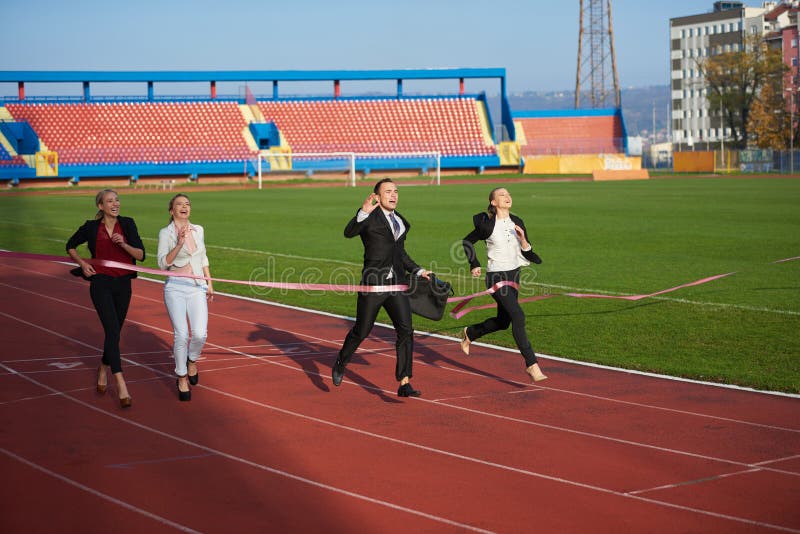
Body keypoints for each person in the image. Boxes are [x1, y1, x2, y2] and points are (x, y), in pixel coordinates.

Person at [332, 178, 431, 397]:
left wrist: (418, 270)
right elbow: (349, 232)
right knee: (362, 330)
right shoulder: (370, 217)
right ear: (377, 196)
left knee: (406, 330)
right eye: (388, 191)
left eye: (396, 191)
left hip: (396, 284)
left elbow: (400, 254)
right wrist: (363, 212)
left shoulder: (401, 222)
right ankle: (341, 361)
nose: (393, 195)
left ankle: (404, 382)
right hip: (373, 284)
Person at [459, 187, 548, 383]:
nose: (507, 197)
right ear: (493, 202)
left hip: (514, 274)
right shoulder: (487, 225)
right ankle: (532, 364)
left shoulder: (517, 222)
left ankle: (470, 332)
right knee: (518, 315)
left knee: (503, 321)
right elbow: (467, 241)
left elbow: (526, 250)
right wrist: (474, 263)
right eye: (501, 195)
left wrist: (524, 240)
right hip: (496, 276)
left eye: (508, 194)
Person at [66, 189, 145, 408]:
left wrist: (124, 244)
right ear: (100, 206)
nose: (115, 204)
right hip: (100, 284)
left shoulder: (128, 224)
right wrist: (83, 264)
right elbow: (70, 246)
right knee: (112, 331)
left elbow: (141, 255)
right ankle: (121, 383)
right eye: (110, 201)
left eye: (117, 200)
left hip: (123, 285)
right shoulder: (91, 227)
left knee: (115, 332)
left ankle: (103, 366)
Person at [157, 193, 214, 402]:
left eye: (187, 204)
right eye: (179, 204)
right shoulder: (166, 233)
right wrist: (179, 243)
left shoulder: (198, 229)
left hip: (197, 286)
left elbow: (203, 256)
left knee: (200, 334)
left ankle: (192, 360)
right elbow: (163, 264)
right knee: (181, 335)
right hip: (175, 288)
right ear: (171, 210)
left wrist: (209, 281)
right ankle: (181, 377)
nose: (184, 207)